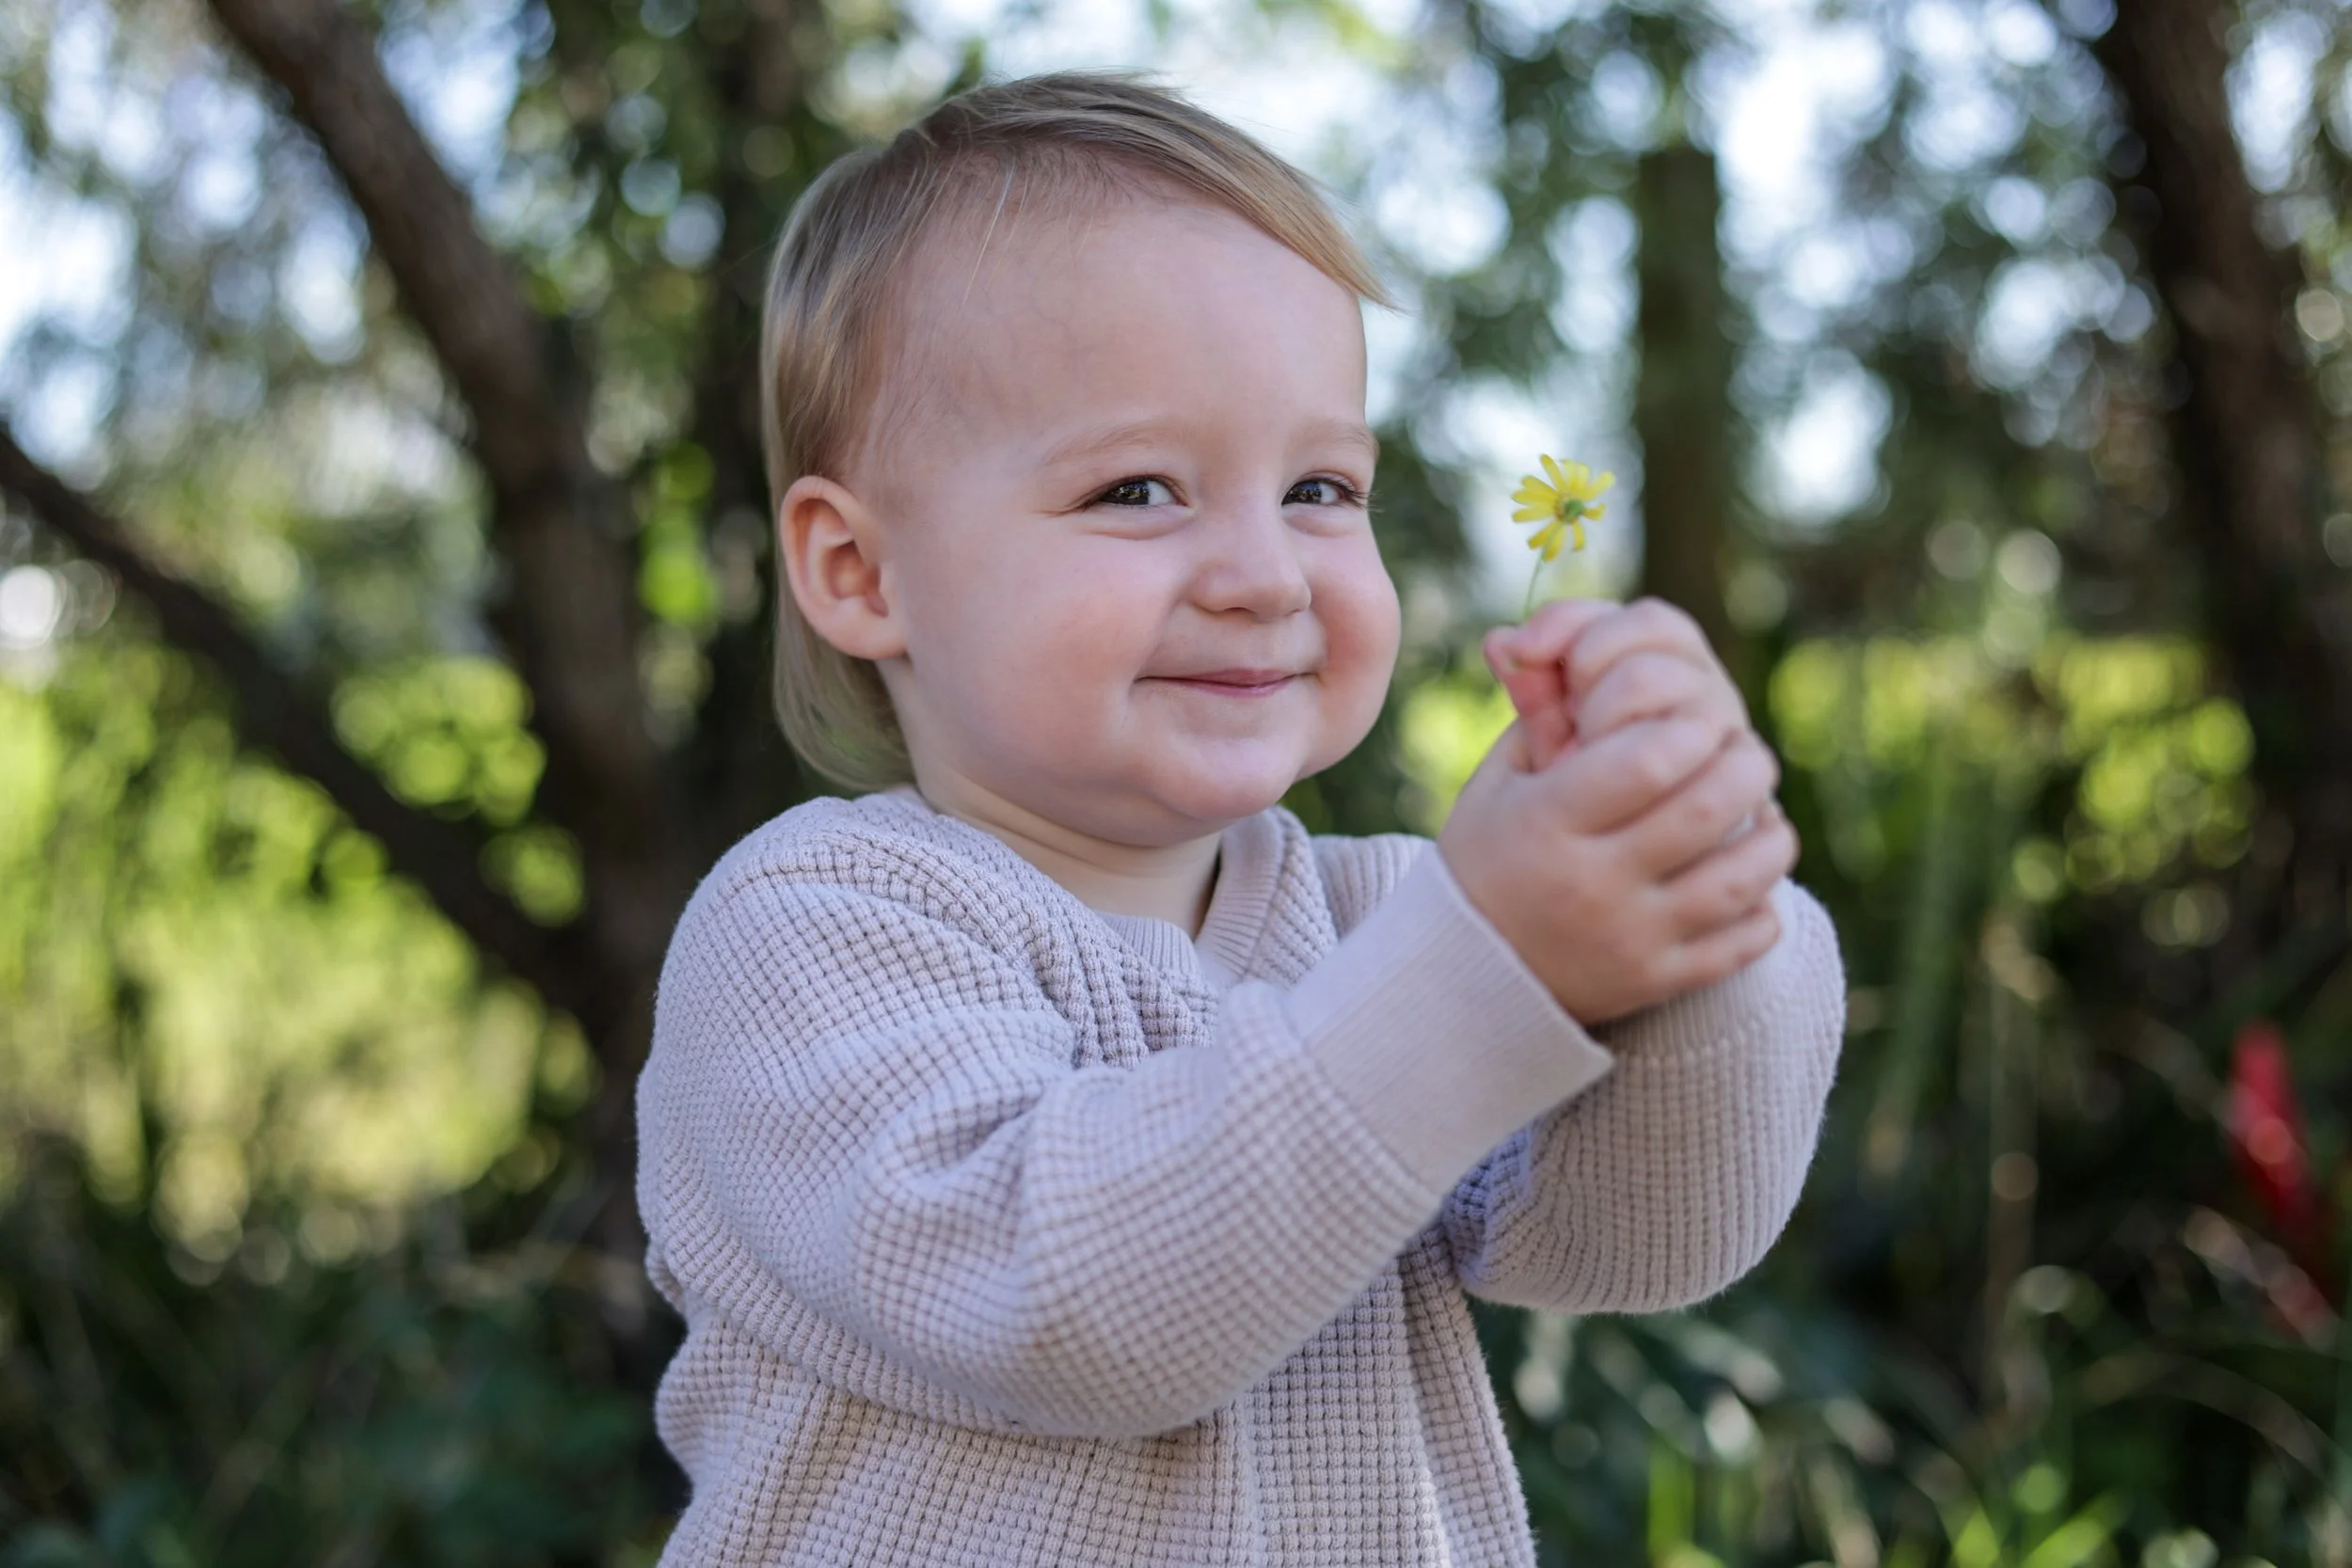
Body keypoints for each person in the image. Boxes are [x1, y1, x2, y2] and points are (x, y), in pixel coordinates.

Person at [633, 71, 1844, 1568]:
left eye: (1323, 486)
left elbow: (1645, 1238)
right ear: (861, 571)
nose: (1268, 574)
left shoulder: (1379, 920)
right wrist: (1489, 965)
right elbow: (1068, 1307)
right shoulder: (817, 932)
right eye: (1139, 488)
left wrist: (1701, 905)